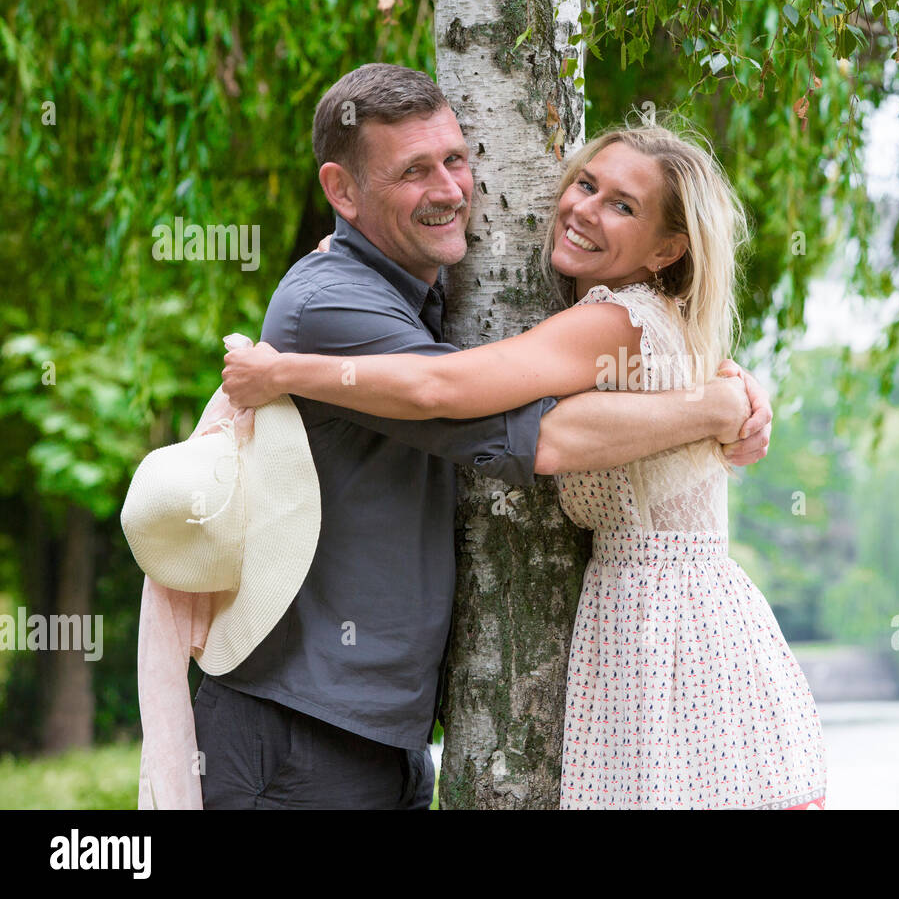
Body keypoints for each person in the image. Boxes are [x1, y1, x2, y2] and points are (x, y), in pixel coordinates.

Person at [191, 63, 772, 810]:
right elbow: (504, 422)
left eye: (456, 160)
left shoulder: (433, 293)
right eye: (413, 172)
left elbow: (474, 377)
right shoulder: (331, 305)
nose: (449, 191)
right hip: (296, 726)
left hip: (382, 733)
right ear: (342, 192)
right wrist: (716, 409)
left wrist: (726, 398)